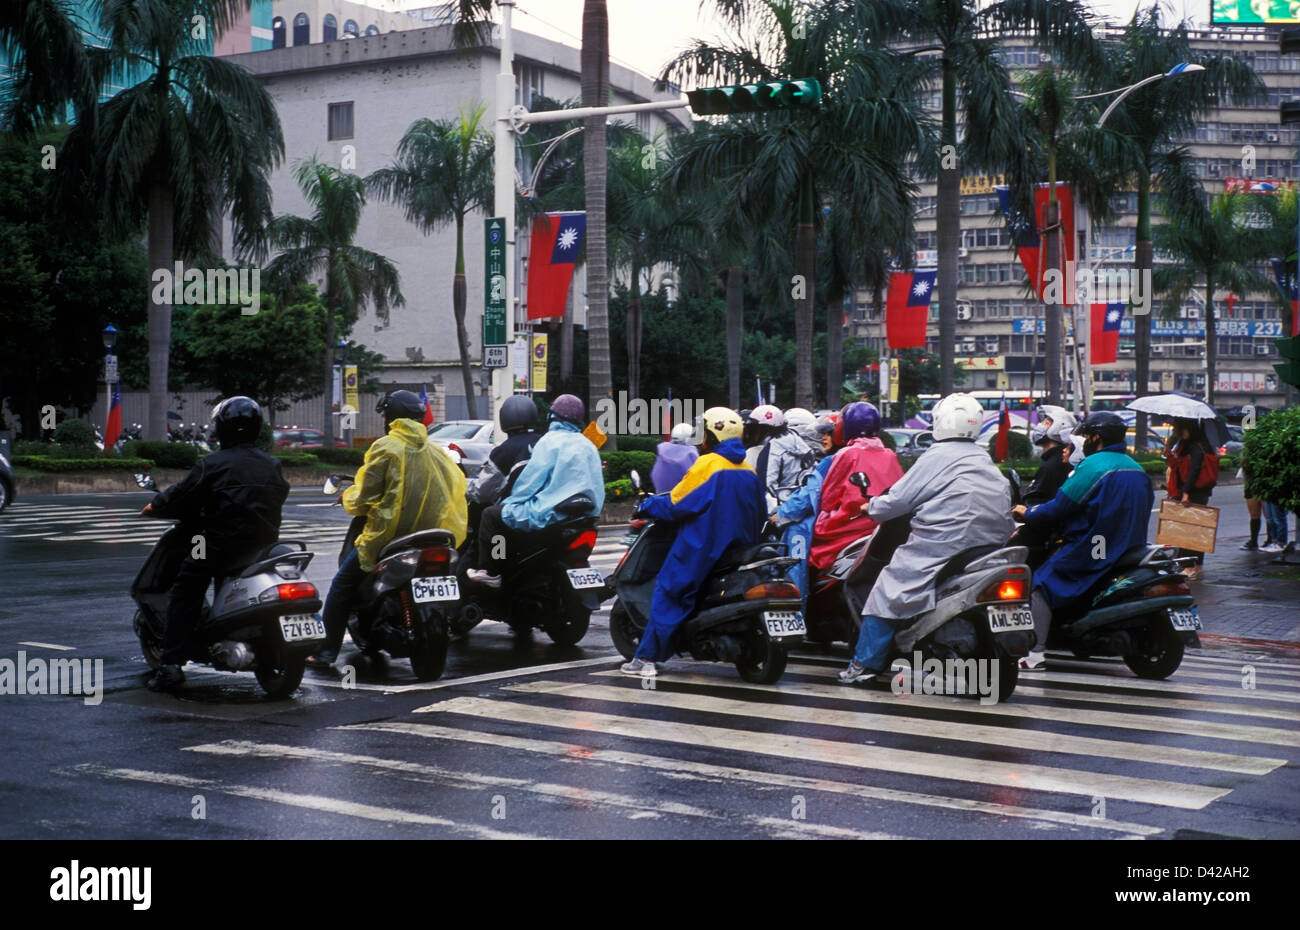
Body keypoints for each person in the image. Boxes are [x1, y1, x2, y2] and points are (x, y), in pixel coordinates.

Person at [838, 393, 1014, 683]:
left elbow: (899, 499)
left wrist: (872, 506)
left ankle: (864, 664)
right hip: (990, 543)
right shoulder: (982, 456)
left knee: (888, 589)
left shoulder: (936, 455)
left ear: (941, 421)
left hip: (945, 541)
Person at [307, 390, 467, 670]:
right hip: (430, 535)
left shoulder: (385, 447)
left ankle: (325, 652)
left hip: (387, 538)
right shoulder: (435, 452)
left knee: (342, 584)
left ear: (391, 417)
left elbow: (366, 496)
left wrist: (347, 498)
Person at [141, 397, 290, 691]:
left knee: (186, 586)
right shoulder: (272, 465)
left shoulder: (212, 464)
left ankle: (170, 665)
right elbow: (279, 496)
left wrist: (155, 505)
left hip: (215, 544)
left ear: (222, 428)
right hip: (262, 547)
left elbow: (181, 494)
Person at [621, 407, 766, 677]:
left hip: (704, 548)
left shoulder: (708, 465)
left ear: (711, 436)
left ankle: (645, 659)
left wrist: (648, 504)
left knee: (670, 591)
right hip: (741, 551)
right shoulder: (748, 470)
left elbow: (677, 503)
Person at [1011, 411, 1153, 671]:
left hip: (1093, 548)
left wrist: (1026, 512)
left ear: (1096, 437)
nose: (1083, 441)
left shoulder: (1093, 466)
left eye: (1086, 435)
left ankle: (1034, 655)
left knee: (1040, 585)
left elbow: (1058, 507)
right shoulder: (1137, 468)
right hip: (1129, 547)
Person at [467, 393, 604, 588]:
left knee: (492, 515)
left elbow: (530, 482)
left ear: (552, 417)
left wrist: (511, 502)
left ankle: (492, 570)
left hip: (550, 513)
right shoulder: (588, 445)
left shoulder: (548, 442)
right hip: (586, 516)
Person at [810, 402, 904, 573]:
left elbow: (828, 500)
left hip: (851, 526)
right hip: (883, 526)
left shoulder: (846, 454)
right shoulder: (889, 453)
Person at [771, 411, 838, 611]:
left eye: (828, 433)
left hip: (816, 522)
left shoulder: (830, 460)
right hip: (849, 521)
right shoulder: (865, 453)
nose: (822, 438)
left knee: (794, 563)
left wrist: (781, 514)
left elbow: (807, 496)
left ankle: (794, 616)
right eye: (822, 433)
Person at [1013, 405, 1078, 565]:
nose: (1041, 425)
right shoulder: (1052, 461)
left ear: (1058, 428)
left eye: (1047, 422)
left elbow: (1043, 503)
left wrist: (1025, 516)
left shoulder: (1055, 464)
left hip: (1045, 535)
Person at [466, 394, 540, 515]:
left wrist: (461, 484)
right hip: (542, 509)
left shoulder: (504, 451)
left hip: (514, 512)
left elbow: (481, 491)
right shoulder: (544, 442)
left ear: (504, 418)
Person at [1165, 417, 1219, 580]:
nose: (1173, 430)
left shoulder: (1196, 446)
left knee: (1190, 530)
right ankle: (1197, 565)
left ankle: (1189, 567)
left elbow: (1194, 470)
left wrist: (1186, 493)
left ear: (1184, 428)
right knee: (1196, 528)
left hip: (1195, 492)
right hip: (1192, 490)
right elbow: (1180, 467)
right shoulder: (1185, 444)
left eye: (1175, 427)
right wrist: (1169, 455)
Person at [744, 404, 816, 510]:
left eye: (755, 429)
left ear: (765, 429)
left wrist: (772, 512)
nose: (752, 434)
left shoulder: (773, 447)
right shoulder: (795, 440)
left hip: (781, 507)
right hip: (801, 502)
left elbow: (767, 484)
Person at [650, 422, 699, 493]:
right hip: (682, 499)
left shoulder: (663, 450)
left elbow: (655, 474)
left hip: (660, 496)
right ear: (687, 438)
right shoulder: (691, 453)